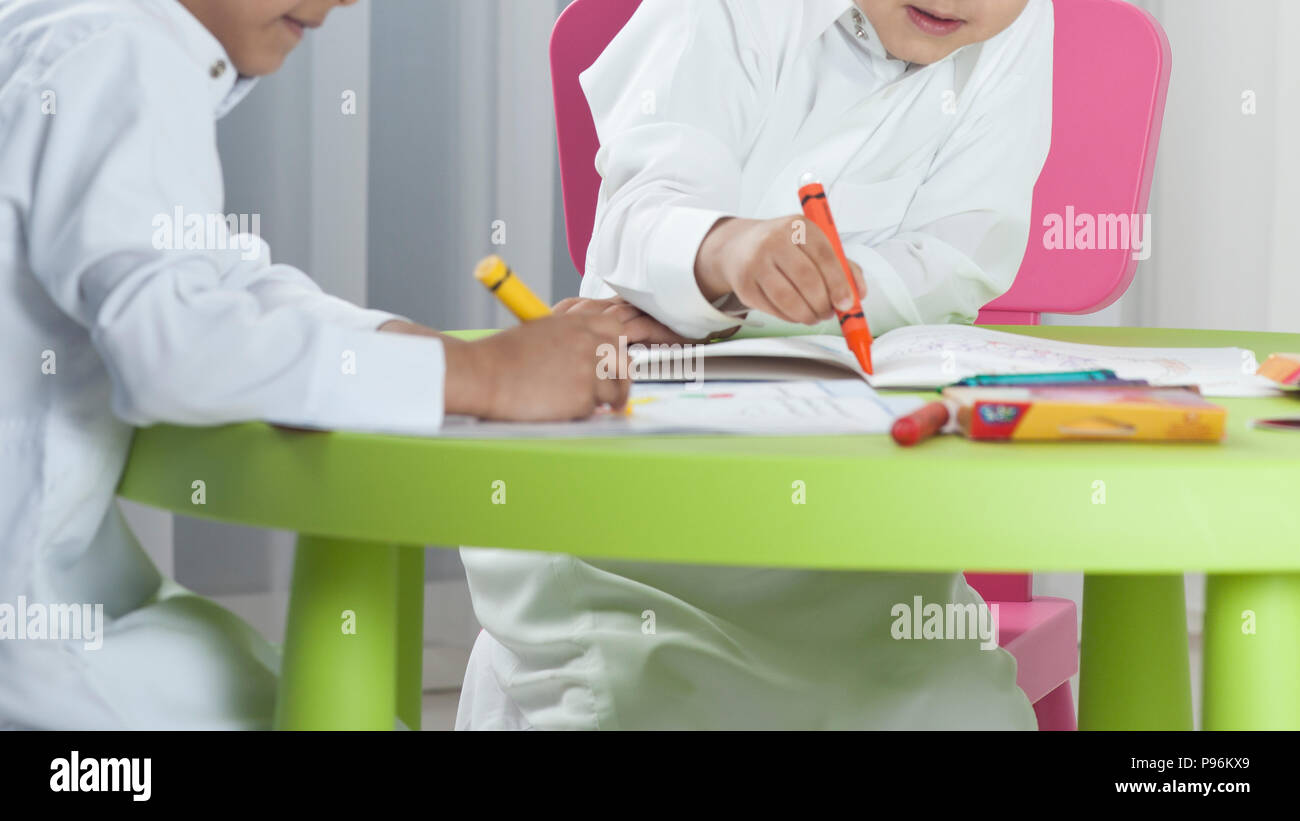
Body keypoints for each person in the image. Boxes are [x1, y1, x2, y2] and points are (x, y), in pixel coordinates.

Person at [0, 0, 629, 729]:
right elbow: (173, 346)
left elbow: (220, 283)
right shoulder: (123, 58)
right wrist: (483, 377)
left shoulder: (59, 31)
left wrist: (446, 352)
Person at [459, 0, 1054, 729]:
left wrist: (752, 302)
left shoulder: (1018, 28)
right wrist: (724, 252)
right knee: (643, 695)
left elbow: (958, 259)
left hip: (850, 513)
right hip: (638, 508)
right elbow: (642, 209)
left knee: (961, 707)